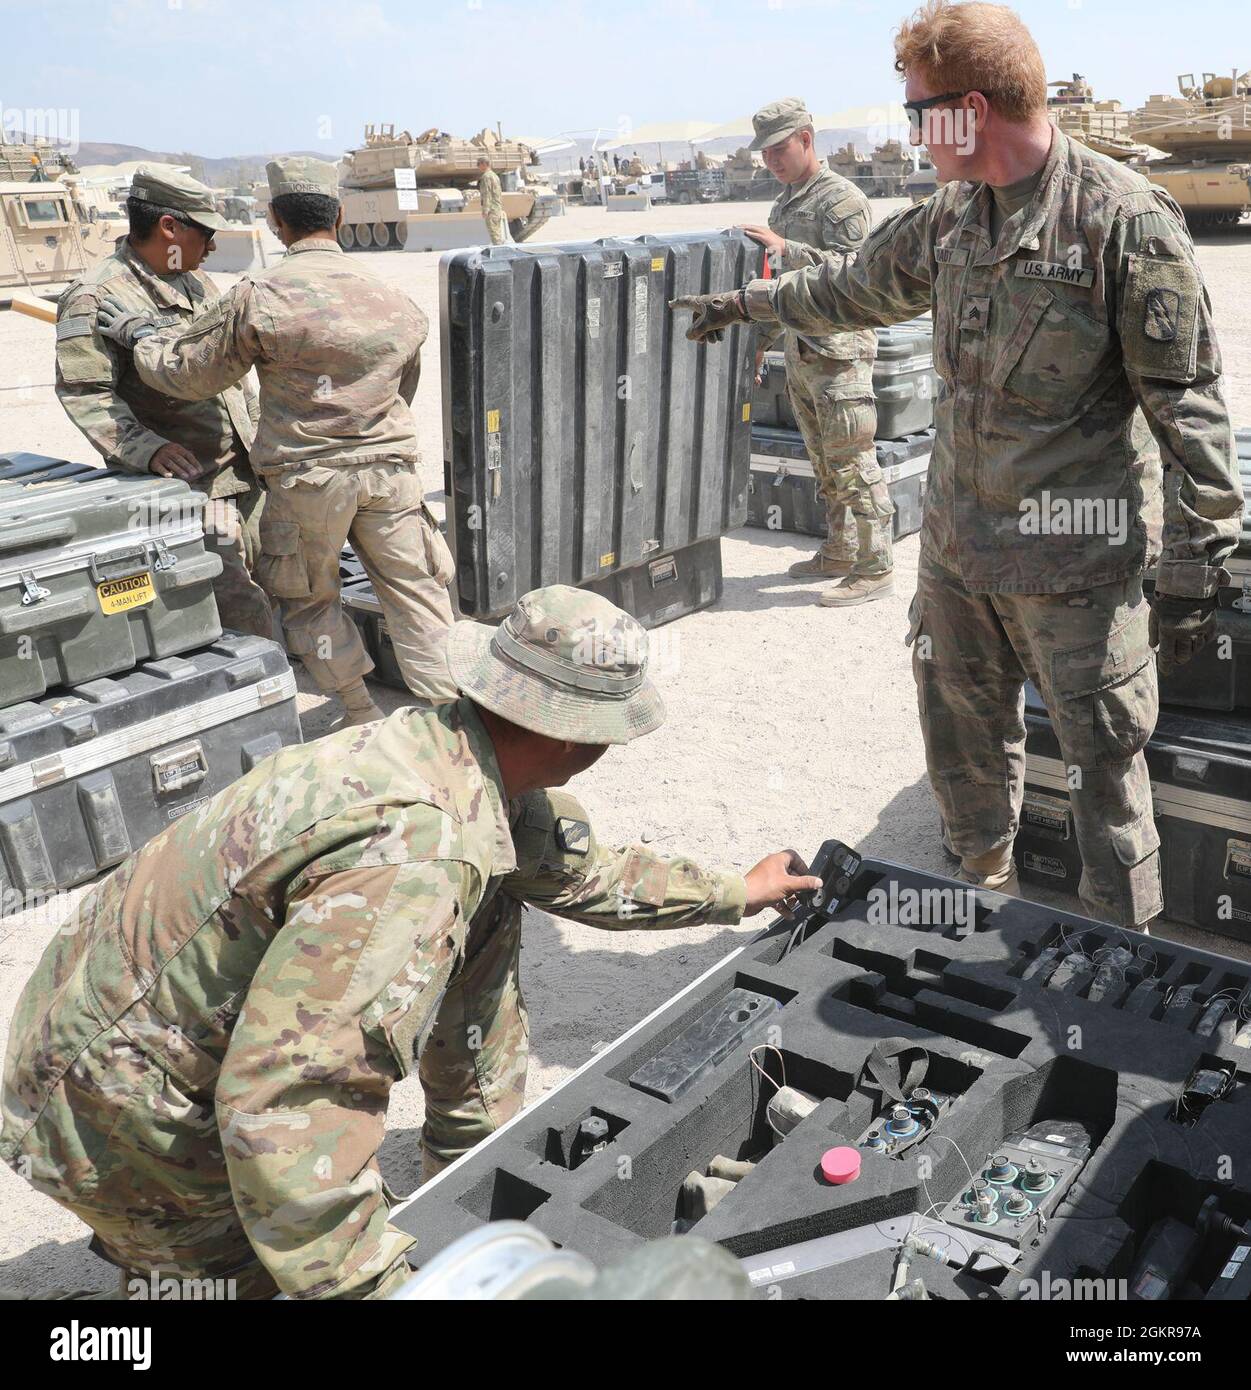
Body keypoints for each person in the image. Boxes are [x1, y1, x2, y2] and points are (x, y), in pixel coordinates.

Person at [0, 585, 822, 1300]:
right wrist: (372, 1283)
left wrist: (733, 891)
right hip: (117, 1112)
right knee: (232, 1278)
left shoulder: (449, 755)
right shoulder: (416, 855)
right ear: (581, 738)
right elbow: (291, 1096)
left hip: (106, 1039)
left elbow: (572, 871)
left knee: (493, 906)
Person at [672, 0, 1243, 927]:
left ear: (966, 110)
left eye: (913, 112)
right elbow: (852, 286)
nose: (905, 131)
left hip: (1074, 566)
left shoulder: (1121, 222)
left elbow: (1188, 411)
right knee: (962, 749)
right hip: (957, 555)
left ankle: (1116, 947)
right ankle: (982, 903)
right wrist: (746, 304)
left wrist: (1192, 565)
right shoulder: (949, 219)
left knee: (1102, 765)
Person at [96, 156, 458, 726]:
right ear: (339, 217)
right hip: (391, 472)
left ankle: (360, 712)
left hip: (306, 481)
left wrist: (140, 336)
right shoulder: (393, 298)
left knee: (311, 602)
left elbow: (190, 375)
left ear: (273, 221)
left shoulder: (260, 295)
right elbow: (401, 388)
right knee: (417, 591)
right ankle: (451, 713)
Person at [53, 166, 273, 638]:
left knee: (272, 579)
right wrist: (145, 449)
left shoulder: (194, 281)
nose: (211, 247)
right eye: (206, 233)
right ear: (170, 227)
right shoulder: (93, 296)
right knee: (233, 600)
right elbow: (85, 391)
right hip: (187, 484)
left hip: (244, 467)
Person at [740, 98, 892, 605]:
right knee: (826, 461)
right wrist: (761, 343)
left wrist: (788, 247)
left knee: (853, 459)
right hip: (801, 349)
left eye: (779, 149)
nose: (771, 161)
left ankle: (876, 566)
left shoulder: (840, 199)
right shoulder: (786, 200)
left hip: (839, 349)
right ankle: (842, 549)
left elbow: (857, 271)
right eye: (765, 153)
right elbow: (778, 284)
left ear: (807, 139)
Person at [475, 156, 509, 245]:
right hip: (497, 208)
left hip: (491, 210)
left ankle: (500, 253)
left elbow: (487, 194)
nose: (478, 166)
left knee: (495, 235)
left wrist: (485, 210)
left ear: (484, 164)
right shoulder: (494, 175)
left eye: (478, 164)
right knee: (497, 233)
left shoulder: (486, 177)